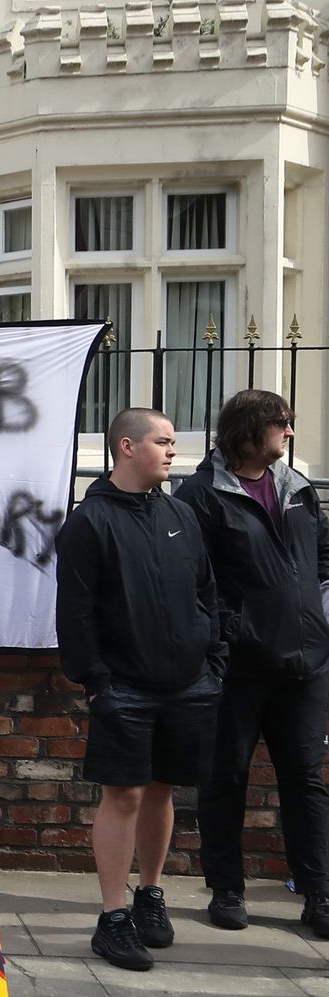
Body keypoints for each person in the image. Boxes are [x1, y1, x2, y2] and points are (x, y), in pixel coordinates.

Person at [55, 408, 224, 970]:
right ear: (126, 446)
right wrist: (97, 681)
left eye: (175, 441)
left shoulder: (182, 514)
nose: (174, 451)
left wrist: (212, 660)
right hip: (123, 686)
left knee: (162, 790)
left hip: (189, 682)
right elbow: (75, 613)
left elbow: (207, 592)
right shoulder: (89, 522)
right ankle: (113, 916)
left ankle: (150, 894)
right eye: (164, 441)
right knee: (123, 795)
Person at [178, 389, 329, 936]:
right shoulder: (203, 495)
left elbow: (323, 560)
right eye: (282, 424)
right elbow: (193, 579)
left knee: (305, 781)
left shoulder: (299, 490)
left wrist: (321, 617)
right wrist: (224, 636)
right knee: (225, 780)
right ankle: (227, 891)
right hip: (236, 669)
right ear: (249, 429)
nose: (290, 433)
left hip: (306, 665)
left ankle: (319, 894)